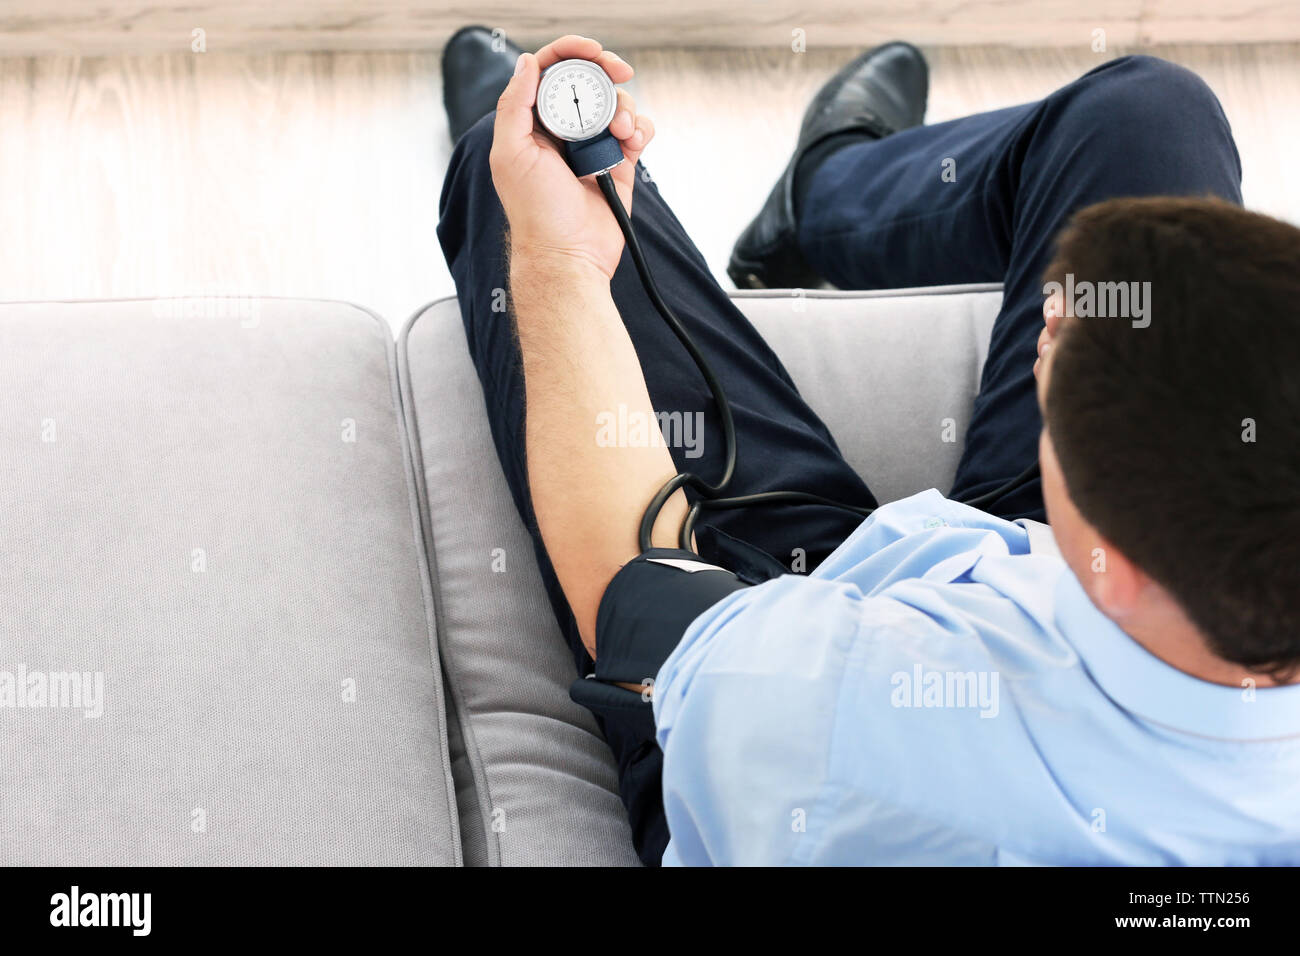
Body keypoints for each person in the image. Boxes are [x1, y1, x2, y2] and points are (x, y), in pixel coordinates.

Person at [437, 27, 1300, 865]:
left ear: (1120, 563)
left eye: (1072, 366)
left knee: (501, 167)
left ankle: (518, 172)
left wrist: (553, 251)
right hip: (1063, 597)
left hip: (778, 679)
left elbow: (634, 589)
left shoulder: (824, 709)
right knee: (1144, 114)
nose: (1062, 313)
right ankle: (819, 198)